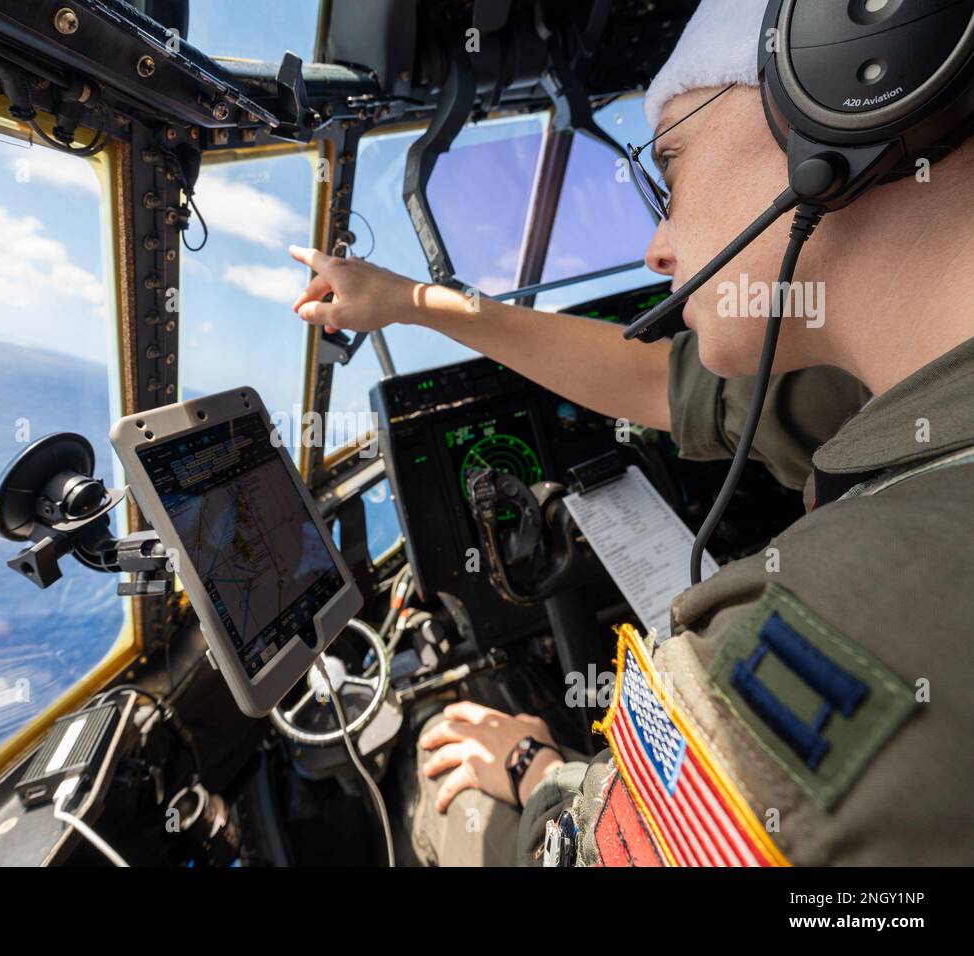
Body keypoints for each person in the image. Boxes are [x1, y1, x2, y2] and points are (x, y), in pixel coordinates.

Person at [288, 0, 974, 866]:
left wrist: (533, 773)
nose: (656, 248)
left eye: (671, 169)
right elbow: (656, 378)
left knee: (433, 794)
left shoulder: (837, 625)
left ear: (840, 85)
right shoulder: (869, 386)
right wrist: (406, 302)